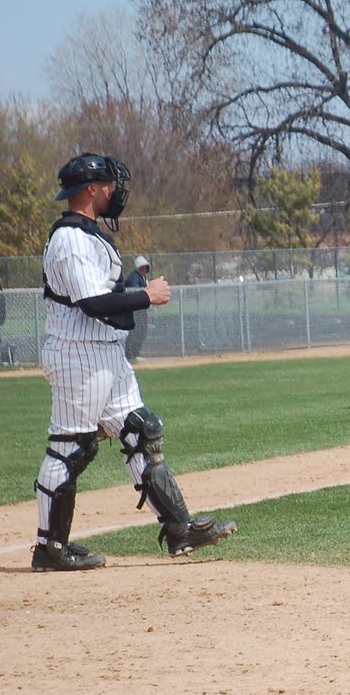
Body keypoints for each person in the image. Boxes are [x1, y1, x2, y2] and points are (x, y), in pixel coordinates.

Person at [32, 153, 238, 572]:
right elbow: (90, 303)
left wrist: (132, 286)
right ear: (91, 190)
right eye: (108, 184)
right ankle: (50, 548)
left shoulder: (89, 235)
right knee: (71, 448)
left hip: (106, 352)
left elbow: (105, 295)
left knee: (141, 431)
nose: (114, 191)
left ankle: (180, 529)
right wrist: (145, 296)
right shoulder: (69, 239)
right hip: (78, 354)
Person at [123, 256, 150, 362]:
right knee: (135, 331)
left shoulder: (142, 278)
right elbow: (136, 292)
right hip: (135, 310)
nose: (144, 269)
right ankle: (131, 354)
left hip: (140, 309)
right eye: (142, 267)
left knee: (141, 330)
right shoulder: (135, 278)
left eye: (145, 267)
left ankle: (135, 353)